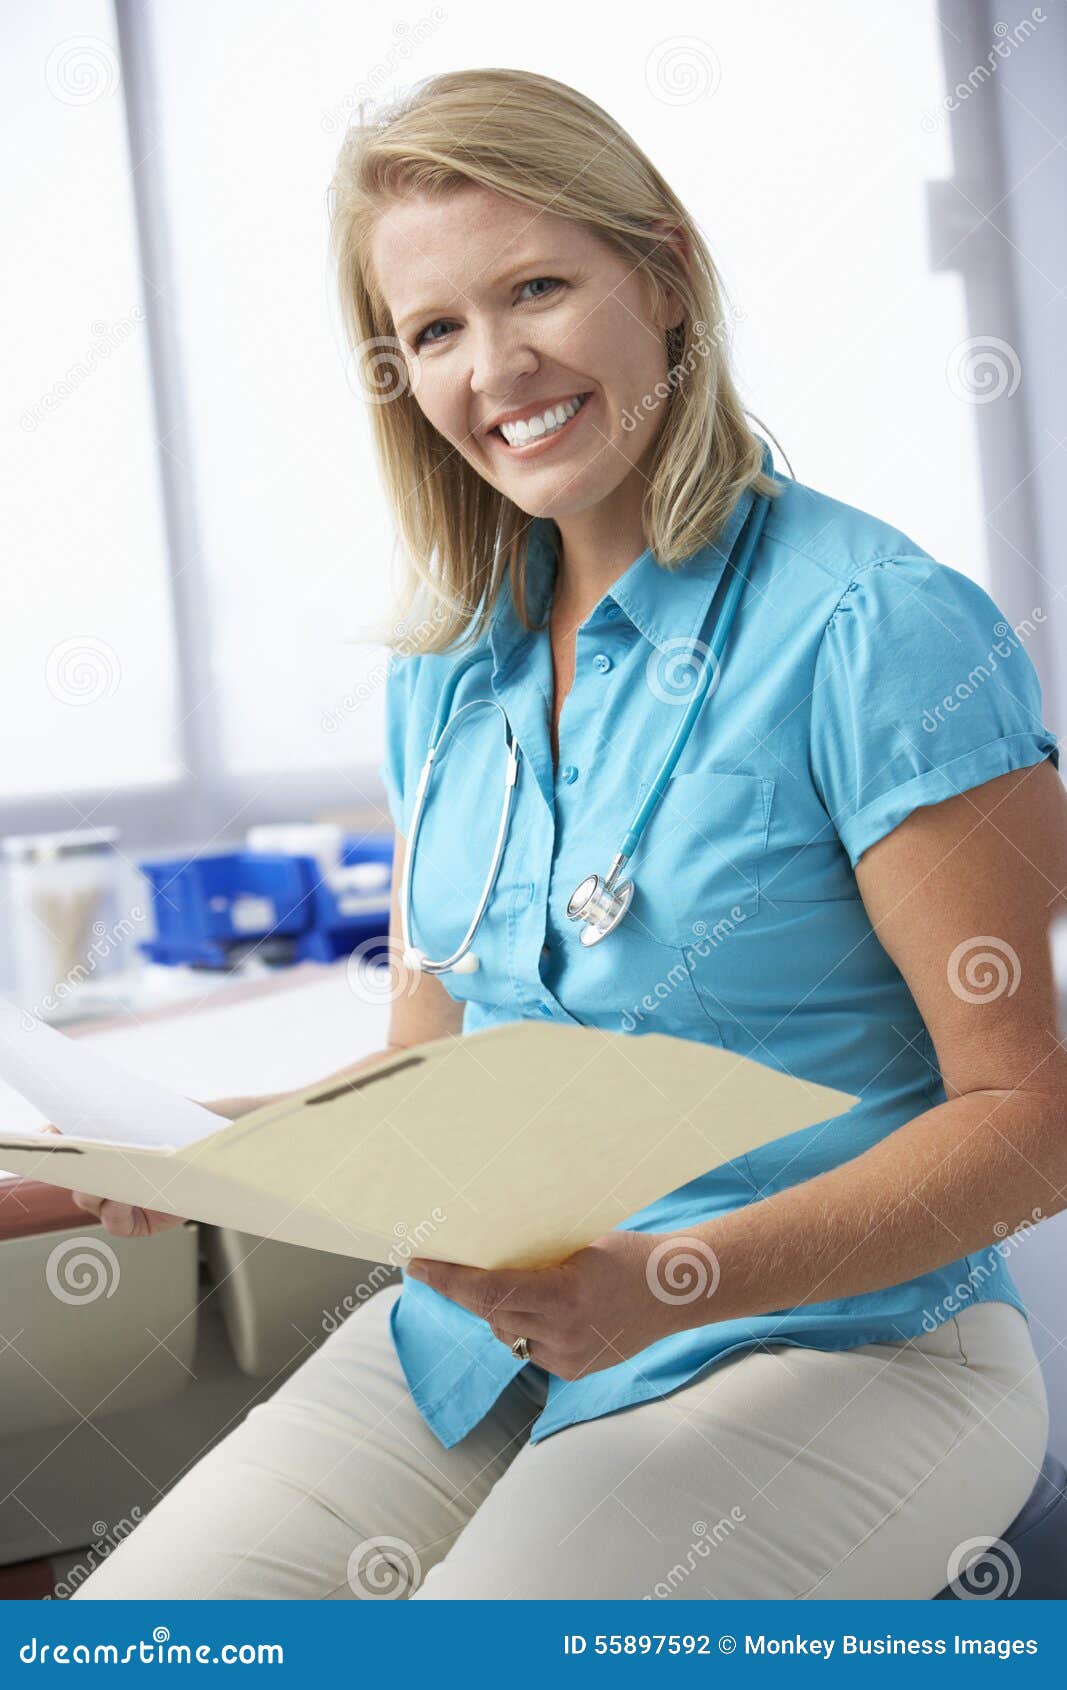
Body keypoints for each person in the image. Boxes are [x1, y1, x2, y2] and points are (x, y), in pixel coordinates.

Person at [66, 68, 1065, 1601]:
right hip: (487, 1339)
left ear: (662, 276)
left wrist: (667, 1281)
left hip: (848, 1340)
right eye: (435, 330)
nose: (497, 366)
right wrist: (172, 1159)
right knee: (143, 1630)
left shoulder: (879, 630)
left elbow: (1030, 1120)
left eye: (538, 287)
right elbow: (431, 1084)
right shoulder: (446, 674)